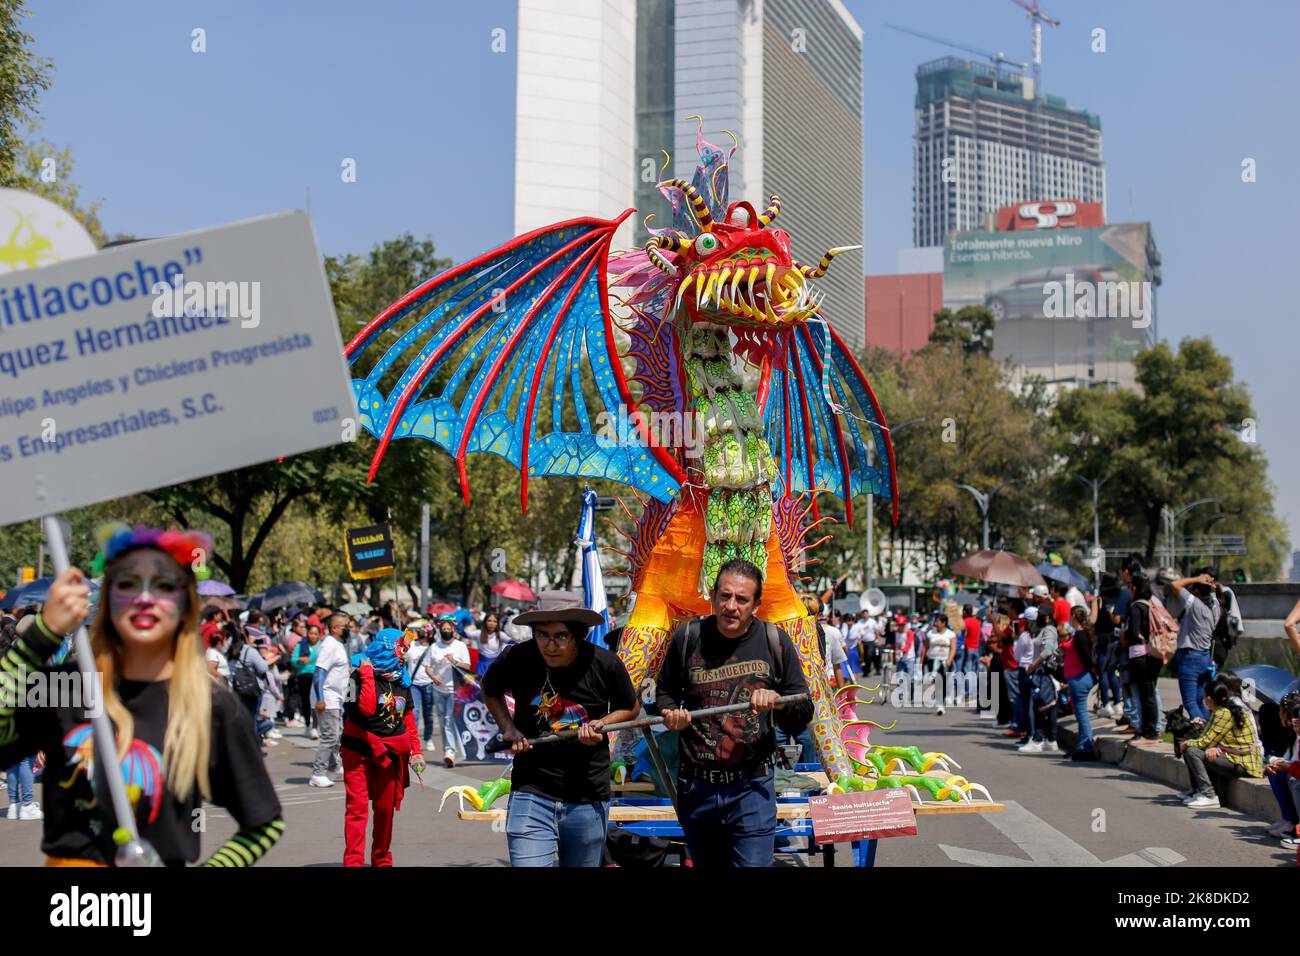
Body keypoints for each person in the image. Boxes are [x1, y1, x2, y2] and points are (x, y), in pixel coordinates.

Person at [0, 524, 283, 865]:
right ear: (106, 602)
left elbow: (263, 822)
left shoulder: (209, 705)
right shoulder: (67, 687)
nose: (144, 598)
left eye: (164, 586)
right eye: (128, 584)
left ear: (185, 605)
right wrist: (40, 636)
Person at [655, 560, 814, 868]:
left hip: (751, 789)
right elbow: (665, 691)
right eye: (724, 596)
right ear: (712, 596)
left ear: (756, 604)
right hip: (696, 787)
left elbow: (803, 711)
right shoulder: (688, 637)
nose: (731, 606)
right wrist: (671, 712)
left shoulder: (775, 642)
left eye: (741, 599)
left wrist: (778, 702)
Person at [483, 591, 637, 867]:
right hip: (531, 789)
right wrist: (508, 728)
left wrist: (603, 724)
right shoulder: (518, 657)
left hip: (587, 795)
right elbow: (490, 689)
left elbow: (631, 707)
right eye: (542, 635)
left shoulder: (604, 663)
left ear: (578, 636)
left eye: (560, 636)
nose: (549, 645)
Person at [342, 628, 425, 866]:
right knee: (357, 811)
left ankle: (381, 859)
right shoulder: (357, 676)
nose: (403, 654)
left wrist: (416, 750)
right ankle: (354, 862)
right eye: (401, 648)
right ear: (387, 647)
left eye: (405, 650)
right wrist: (367, 675)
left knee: (385, 809)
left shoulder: (401, 677)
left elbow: (407, 716)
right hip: (358, 752)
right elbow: (364, 710)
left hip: (390, 754)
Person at [1180, 674, 1264, 809]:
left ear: (1208, 699)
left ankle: (1209, 795)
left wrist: (1187, 743)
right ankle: (1199, 791)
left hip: (1244, 762)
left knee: (1192, 751)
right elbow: (1207, 736)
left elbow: (1205, 742)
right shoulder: (1219, 710)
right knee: (1193, 749)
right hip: (1234, 756)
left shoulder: (1223, 712)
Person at [1166, 568, 1222, 724]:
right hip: (1205, 658)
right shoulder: (1216, 607)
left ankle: (1201, 734)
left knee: (1190, 703)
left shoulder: (1194, 604)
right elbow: (1214, 594)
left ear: (1197, 590)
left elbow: (1175, 585)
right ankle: (1210, 734)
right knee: (1199, 702)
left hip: (1189, 658)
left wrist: (1196, 578)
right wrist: (1211, 586)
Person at [310, 612, 352, 788]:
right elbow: (319, 672)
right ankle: (317, 773)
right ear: (334, 628)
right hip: (327, 698)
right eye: (345, 626)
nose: (349, 628)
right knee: (330, 736)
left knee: (337, 734)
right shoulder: (329, 645)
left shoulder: (337, 644)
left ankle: (335, 768)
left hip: (336, 697)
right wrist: (320, 699)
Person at [1124, 574, 1163, 744]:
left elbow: (1132, 633)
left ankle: (1149, 733)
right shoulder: (1151, 604)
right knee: (1150, 693)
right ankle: (1151, 730)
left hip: (1140, 654)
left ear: (1135, 588)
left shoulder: (1136, 607)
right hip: (1154, 653)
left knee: (1145, 694)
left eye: (1130, 586)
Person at [428, 615, 471, 767]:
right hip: (438, 689)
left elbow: (467, 666)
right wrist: (433, 676)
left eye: (449, 629)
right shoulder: (434, 647)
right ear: (440, 630)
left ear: (453, 630)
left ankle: (450, 751)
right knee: (441, 720)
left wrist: (455, 661)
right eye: (444, 629)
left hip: (455, 689)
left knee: (448, 720)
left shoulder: (460, 646)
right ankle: (448, 749)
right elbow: (427, 666)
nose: (446, 631)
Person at [1061, 605, 1099, 761]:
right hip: (1077, 678)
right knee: (1079, 713)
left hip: (1079, 678)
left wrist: (1092, 672)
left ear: (1074, 617)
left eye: (1070, 616)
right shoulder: (1079, 634)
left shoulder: (1080, 635)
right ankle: (1082, 745)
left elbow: (1086, 658)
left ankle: (1087, 747)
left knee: (1082, 714)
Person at [406, 621, 437, 749]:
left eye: (426, 631)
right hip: (414, 684)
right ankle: (413, 740)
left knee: (428, 713)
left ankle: (428, 738)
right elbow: (402, 651)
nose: (423, 633)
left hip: (429, 683)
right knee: (414, 713)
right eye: (422, 630)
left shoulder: (434, 647)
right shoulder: (412, 645)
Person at [295, 618, 322, 738]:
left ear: (319, 635)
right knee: (306, 702)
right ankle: (307, 724)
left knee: (316, 702)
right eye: (311, 633)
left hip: (317, 677)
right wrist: (299, 660)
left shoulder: (322, 646)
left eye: (315, 633)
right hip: (304, 676)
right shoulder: (301, 645)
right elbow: (293, 660)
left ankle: (315, 727)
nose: (313, 636)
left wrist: (311, 662)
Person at [924, 615, 955, 715]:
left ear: (943, 623)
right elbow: (925, 647)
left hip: (945, 661)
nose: (935, 623)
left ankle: (941, 702)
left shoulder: (950, 634)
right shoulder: (930, 633)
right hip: (933, 661)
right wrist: (921, 661)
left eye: (937, 621)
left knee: (944, 682)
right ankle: (939, 703)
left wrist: (950, 659)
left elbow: (953, 648)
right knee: (937, 682)